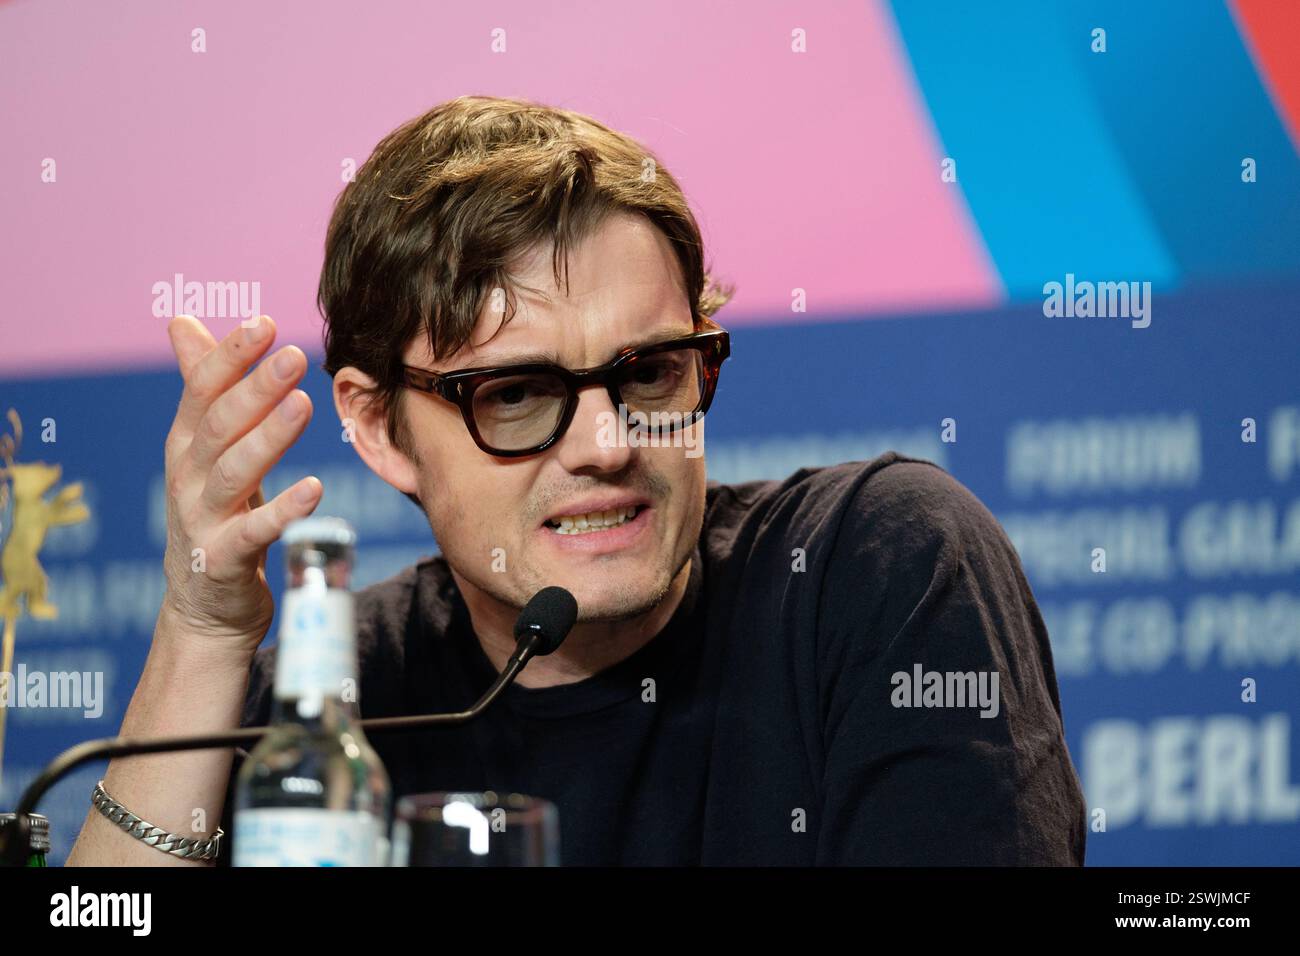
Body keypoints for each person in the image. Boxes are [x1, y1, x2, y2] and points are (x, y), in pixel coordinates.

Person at [67, 95, 1086, 866]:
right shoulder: (337, 707)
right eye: (516, 393)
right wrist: (203, 633)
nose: (607, 440)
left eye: (648, 371)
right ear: (378, 426)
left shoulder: (877, 562)